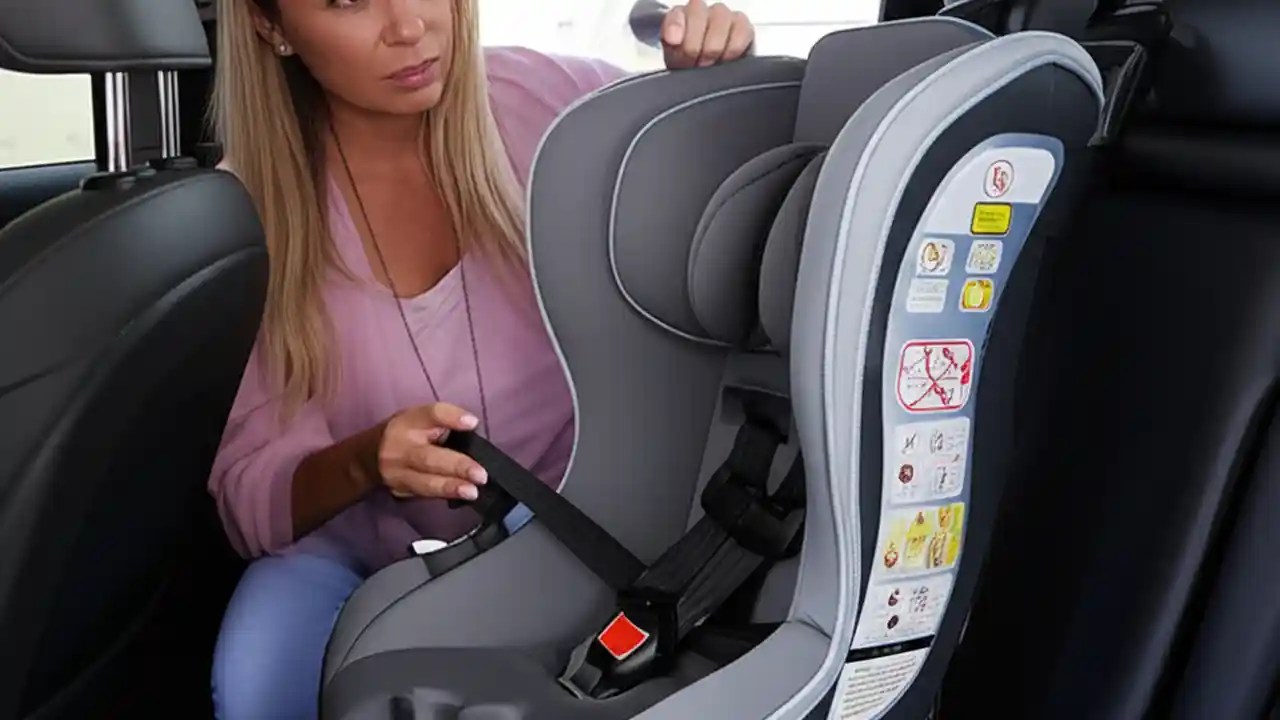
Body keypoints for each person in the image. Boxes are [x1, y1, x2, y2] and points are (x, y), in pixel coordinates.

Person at [206, 0, 757, 717]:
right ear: (269, 24)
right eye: (347, 0)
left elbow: (738, 191)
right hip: (355, 552)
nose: (408, 26)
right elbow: (250, 501)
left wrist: (709, 80)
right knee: (255, 672)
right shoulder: (244, 218)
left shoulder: (560, 109)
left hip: (576, 521)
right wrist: (366, 460)